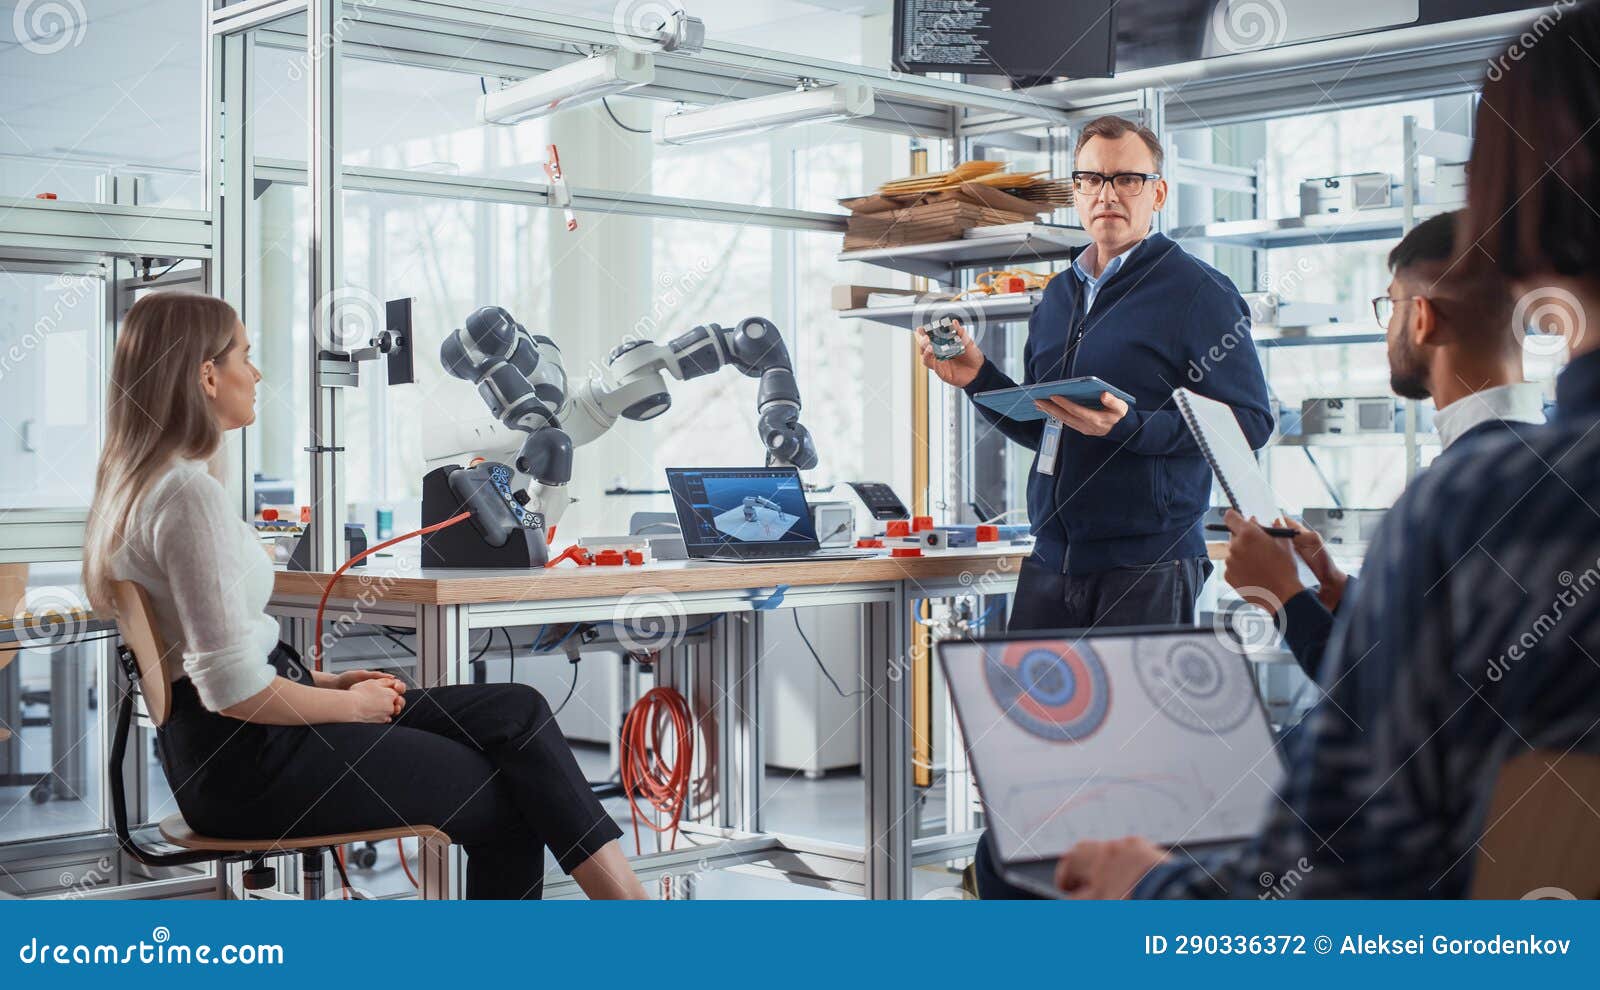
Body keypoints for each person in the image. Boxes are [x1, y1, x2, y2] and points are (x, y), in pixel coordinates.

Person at [1051, 0, 1600, 899]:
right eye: (1089, 179)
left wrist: (1143, 886)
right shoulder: (1516, 500)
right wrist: (1332, 609)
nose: (1103, 194)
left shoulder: (1471, 507)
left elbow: (1322, 887)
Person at [83, 292, 647, 900]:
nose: (258, 372)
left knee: (517, 712)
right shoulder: (185, 498)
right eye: (246, 356)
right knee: (510, 793)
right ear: (206, 375)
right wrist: (349, 709)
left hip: (234, 747)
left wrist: (329, 685)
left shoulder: (145, 486)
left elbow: (217, 660)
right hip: (251, 767)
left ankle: (630, 919)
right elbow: (233, 690)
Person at [919, 115, 1272, 634]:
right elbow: (1048, 425)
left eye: (1127, 179)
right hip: (1050, 560)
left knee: (1135, 719)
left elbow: (1251, 423)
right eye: (1091, 180)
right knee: (1026, 715)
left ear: (1158, 193)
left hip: (1148, 565)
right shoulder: (1058, 297)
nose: (1107, 194)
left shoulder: (1199, 293)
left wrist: (1130, 426)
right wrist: (977, 377)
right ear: (1077, 193)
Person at [1220, 210, 1545, 680]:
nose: (1386, 329)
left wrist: (1282, 594)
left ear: (1421, 318)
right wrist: (1337, 588)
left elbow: (1377, 691)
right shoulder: (1551, 461)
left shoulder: (1447, 494)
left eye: (1390, 306)